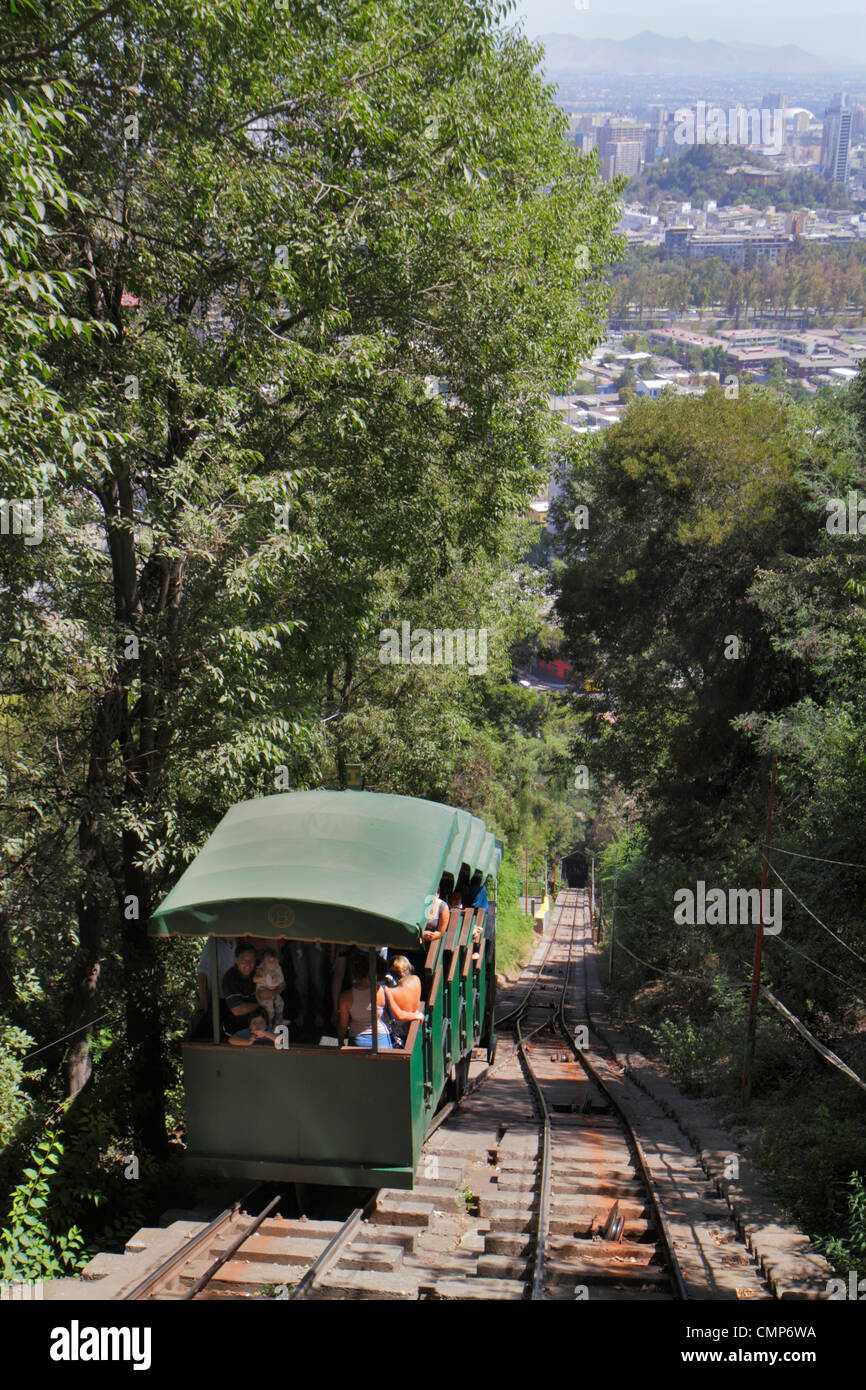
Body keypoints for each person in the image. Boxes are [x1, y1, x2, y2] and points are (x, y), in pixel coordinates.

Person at [337, 953, 393, 1049]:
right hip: (382, 1040)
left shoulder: (345, 997)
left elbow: (343, 1025)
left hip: (357, 1041)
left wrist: (341, 1041)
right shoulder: (382, 991)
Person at [192, 936, 238, 1037]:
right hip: (214, 997)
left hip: (230, 996)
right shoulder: (212, 943)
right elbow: (202, 972)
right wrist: (203, 1000)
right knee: (209, 1031)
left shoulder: (234, 941)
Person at [384, 957, 424, 1044]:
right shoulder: (416, 979)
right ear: (408, 968)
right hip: (413, 1027)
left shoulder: (390, 991)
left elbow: (399, 1015)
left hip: (398, 1033)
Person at [222, 944, 260, 1035]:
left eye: (251, 960)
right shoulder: (230, 977)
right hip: (237, 1026)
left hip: (260, 1024)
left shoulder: (260, 971)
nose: (248, 964)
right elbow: (237, 1010)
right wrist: (262, 1005)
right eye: (244, 960)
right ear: (236, 960)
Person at [254, 948, 286, 1027]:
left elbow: (281, 979)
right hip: (263, 991)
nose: (272, 963)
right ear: (264, 961)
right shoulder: (261, 969)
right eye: (269, 961)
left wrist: (278, 981)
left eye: (274, 961)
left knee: (280, 1003)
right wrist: (263, 977)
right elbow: (254, 979)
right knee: (270, 1010)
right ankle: (269, 1025)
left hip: (273, 989)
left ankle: (279, 1020)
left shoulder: (277, 967)